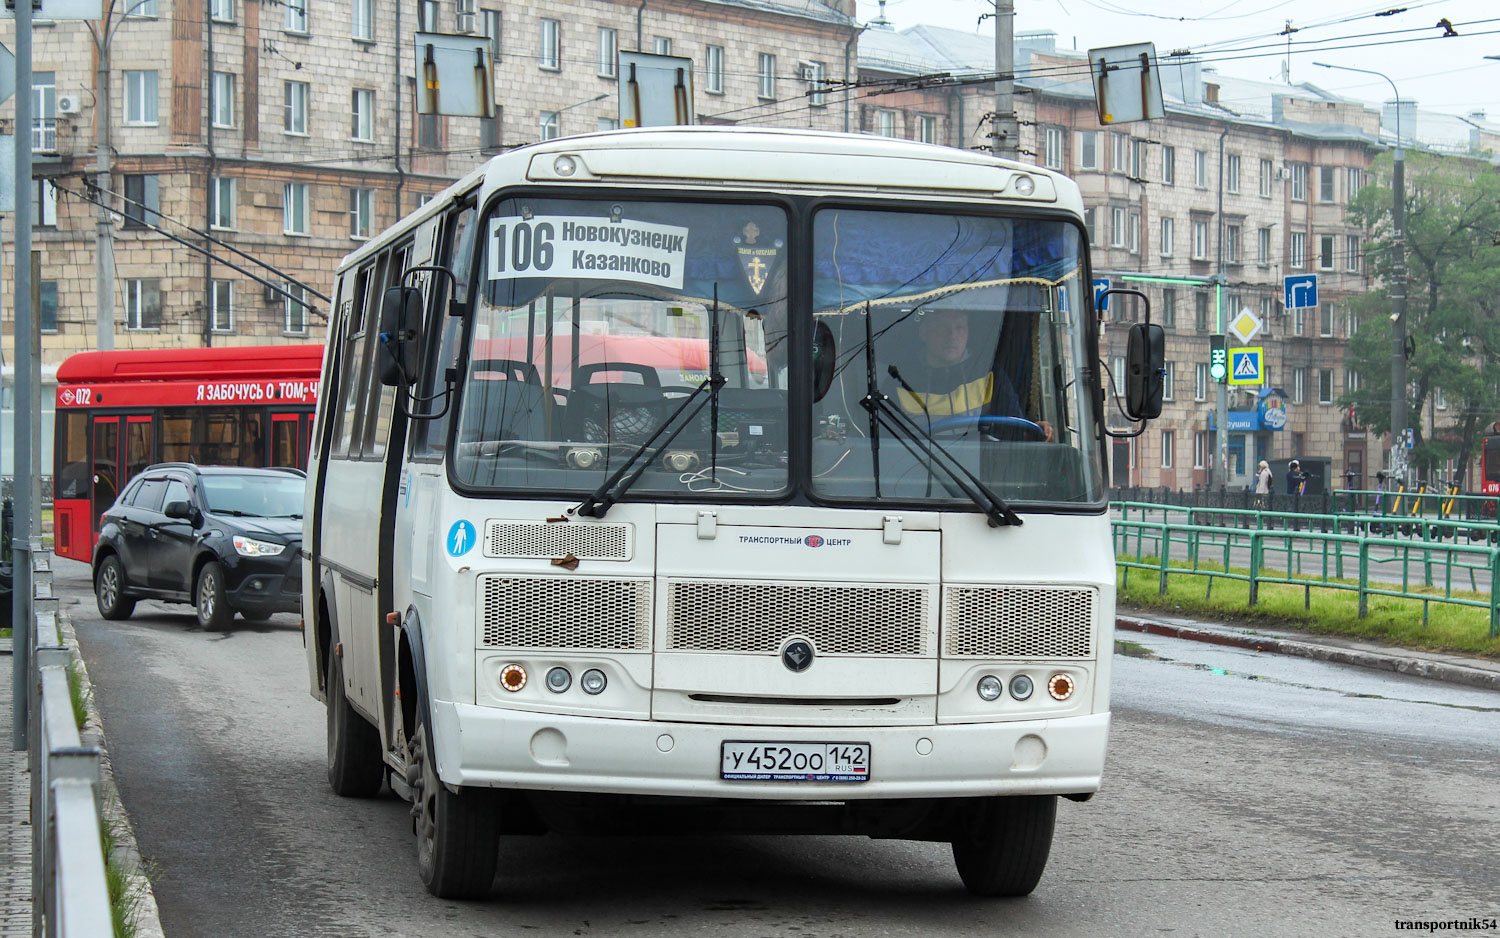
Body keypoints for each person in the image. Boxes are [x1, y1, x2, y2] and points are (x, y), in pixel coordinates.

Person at [891, 307, 1054, 441]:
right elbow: (886, 439)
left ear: (968, 333)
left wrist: (1034, 431)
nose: (952, 336)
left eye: (960, 327)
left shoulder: (990, 375)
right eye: (942, 327)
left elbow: (1015, 429)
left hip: (980, 468)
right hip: (916, 466)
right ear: (924, 333)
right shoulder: (899, 379)